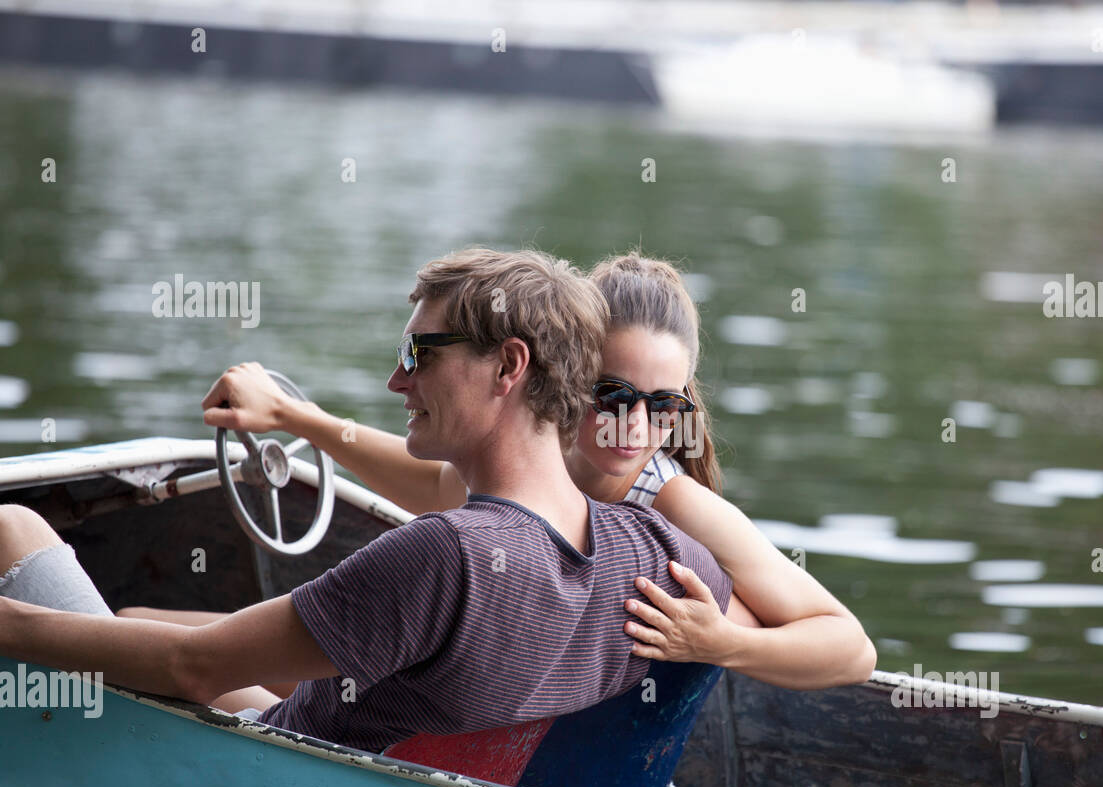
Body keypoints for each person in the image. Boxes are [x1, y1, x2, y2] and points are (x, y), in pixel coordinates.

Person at [0, 248, 753, 755]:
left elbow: (193, 668)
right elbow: (756, 626)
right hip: (373, 779)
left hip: (263, 775)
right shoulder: (661, 560)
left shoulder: (444, 555)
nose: (398, 381)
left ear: (509, 367)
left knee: (13, 527)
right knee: (131, 622)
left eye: (418, 354)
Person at [164, 252, 875, 691]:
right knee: (153, 625)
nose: (635, 427)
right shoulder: (533, 465)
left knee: (153, 636)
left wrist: (724, 644)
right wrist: (295, 418)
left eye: (663, 407)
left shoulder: (681, 507)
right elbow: (429, 483)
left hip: (495, 713)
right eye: (613, 395)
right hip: (462, 690)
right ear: (567, 371)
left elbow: (850, 649)